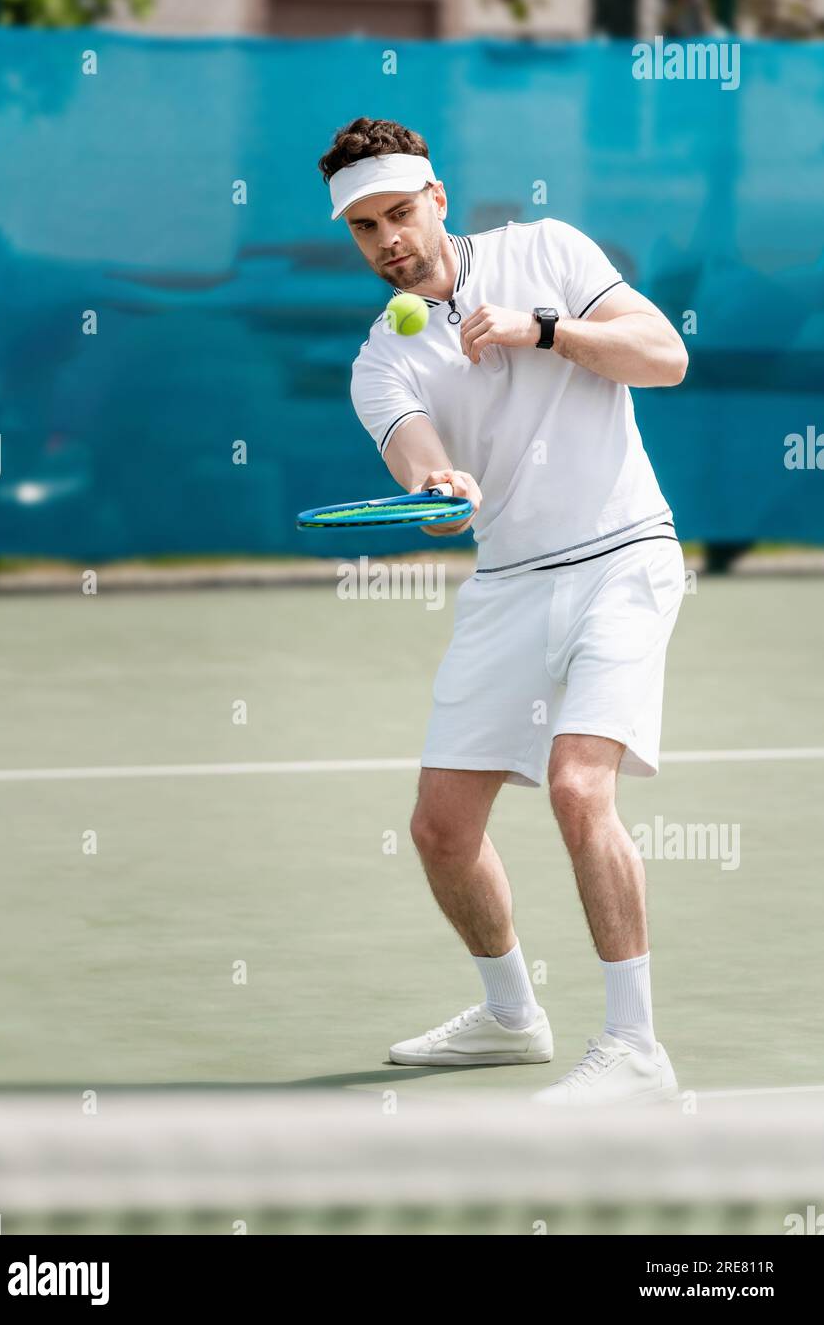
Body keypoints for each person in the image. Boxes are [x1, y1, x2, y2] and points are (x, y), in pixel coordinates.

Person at [317, 117, 688, 1107]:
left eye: (399, 211)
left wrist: (545, 329)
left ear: (436, 198)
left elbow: (662, 358)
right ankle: (511, 1016)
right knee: (440, 829)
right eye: (363, 226)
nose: (387, 237)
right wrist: (438, 484)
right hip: (509, 580)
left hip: (622, 555)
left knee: (577, 787)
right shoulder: (379, 360)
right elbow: (414, 455)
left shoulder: (549, 250)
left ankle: (635, 1047)